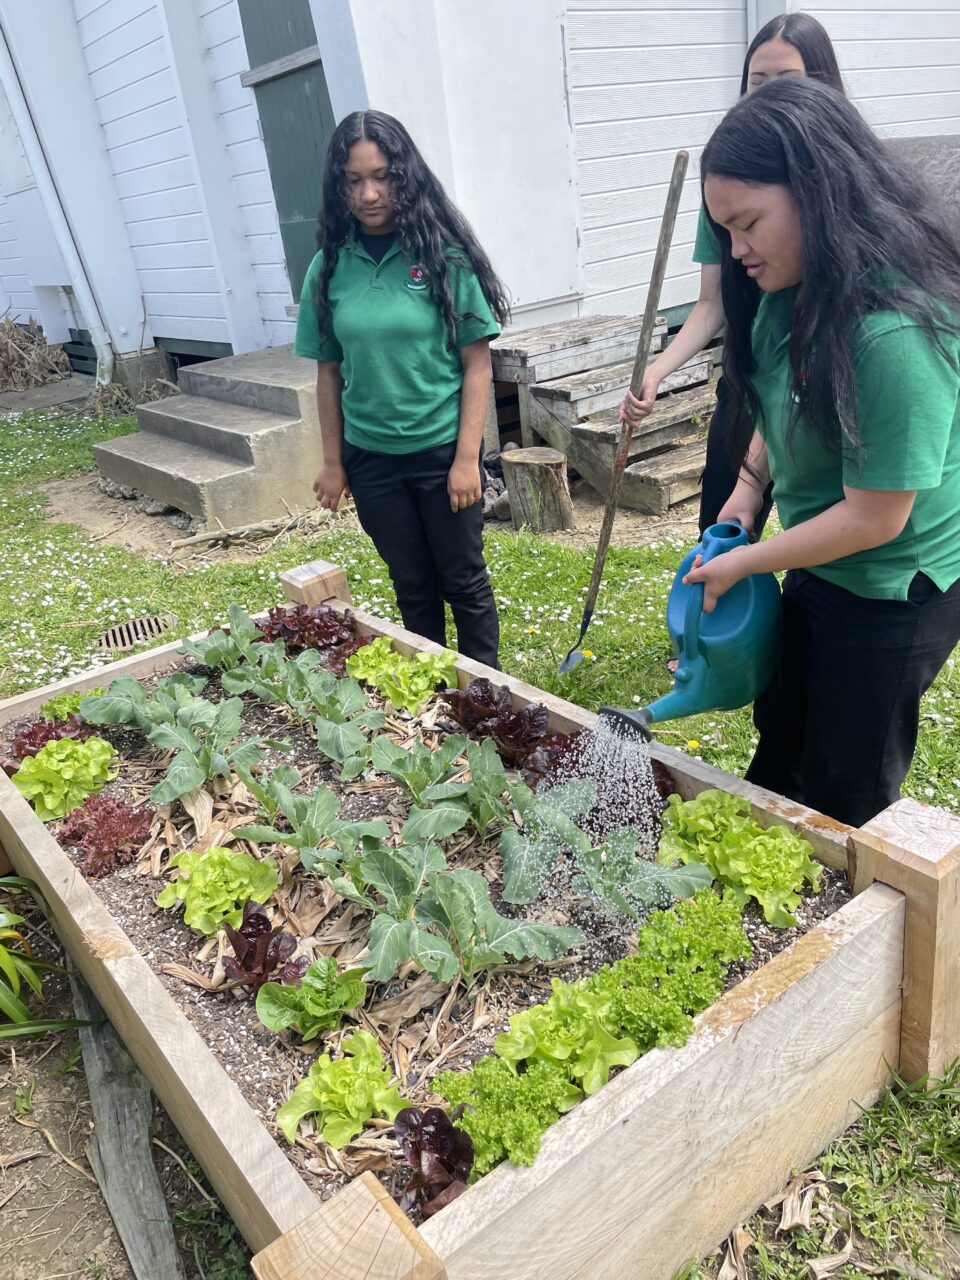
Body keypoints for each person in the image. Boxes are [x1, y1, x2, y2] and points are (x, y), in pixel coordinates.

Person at [681, 77, 960, 828]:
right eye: (724, 232)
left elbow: (875, 519)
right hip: (817, 557)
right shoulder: (789, 293)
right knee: (785, 726)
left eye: (747, 225)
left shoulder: (895, 336)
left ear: (818, 191)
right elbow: (785, 402)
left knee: (848, 778)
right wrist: (745, 494)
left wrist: (746, 560)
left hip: (891, 586)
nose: (735, 252)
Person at [294, 110, 509, 668]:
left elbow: (477, 365)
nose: (369, 193)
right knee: (412, 586)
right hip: (372, 461)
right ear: (338, 185)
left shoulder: (443, 258)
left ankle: (487, 691)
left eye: (382, 176)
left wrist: (468, 460)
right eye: (354, 180)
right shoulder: (328, 267)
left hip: (441, 454)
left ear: (404, 175)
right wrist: (333, 462)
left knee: (462, 580)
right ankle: (434, 694)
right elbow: (327, 373)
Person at [620, 13, 845, 537]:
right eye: (756, 83)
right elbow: (712, 304)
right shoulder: (727, 187)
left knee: (818, 533)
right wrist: (657, 372)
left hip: (824, 388)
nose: (766, 98)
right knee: (721, 531)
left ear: (824, 86)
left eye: (787, 82)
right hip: (751, 384)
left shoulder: (845, 190)